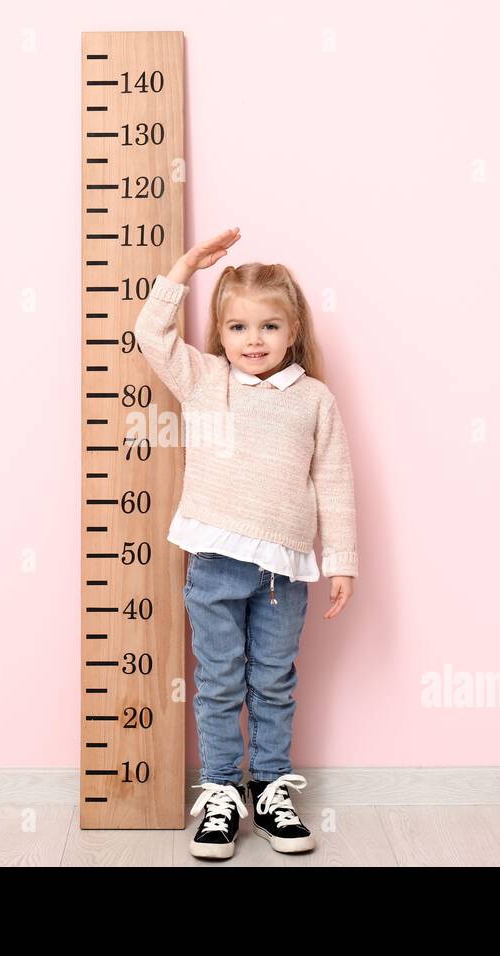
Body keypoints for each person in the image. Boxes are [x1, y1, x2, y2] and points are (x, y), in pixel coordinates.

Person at [132, 226, 359, 860]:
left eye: (267, 327)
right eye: (237, 328)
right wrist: (184, 269)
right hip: (215, 566)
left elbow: (333, 482)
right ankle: (222, 792)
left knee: (274, 682)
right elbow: (151, 335)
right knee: (220, 682)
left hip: (282, 573)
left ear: (293, 333)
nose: (251, 341)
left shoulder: (314, 400)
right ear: (220, 333)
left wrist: (339, 562)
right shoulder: (206, 381)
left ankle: (269, 789)